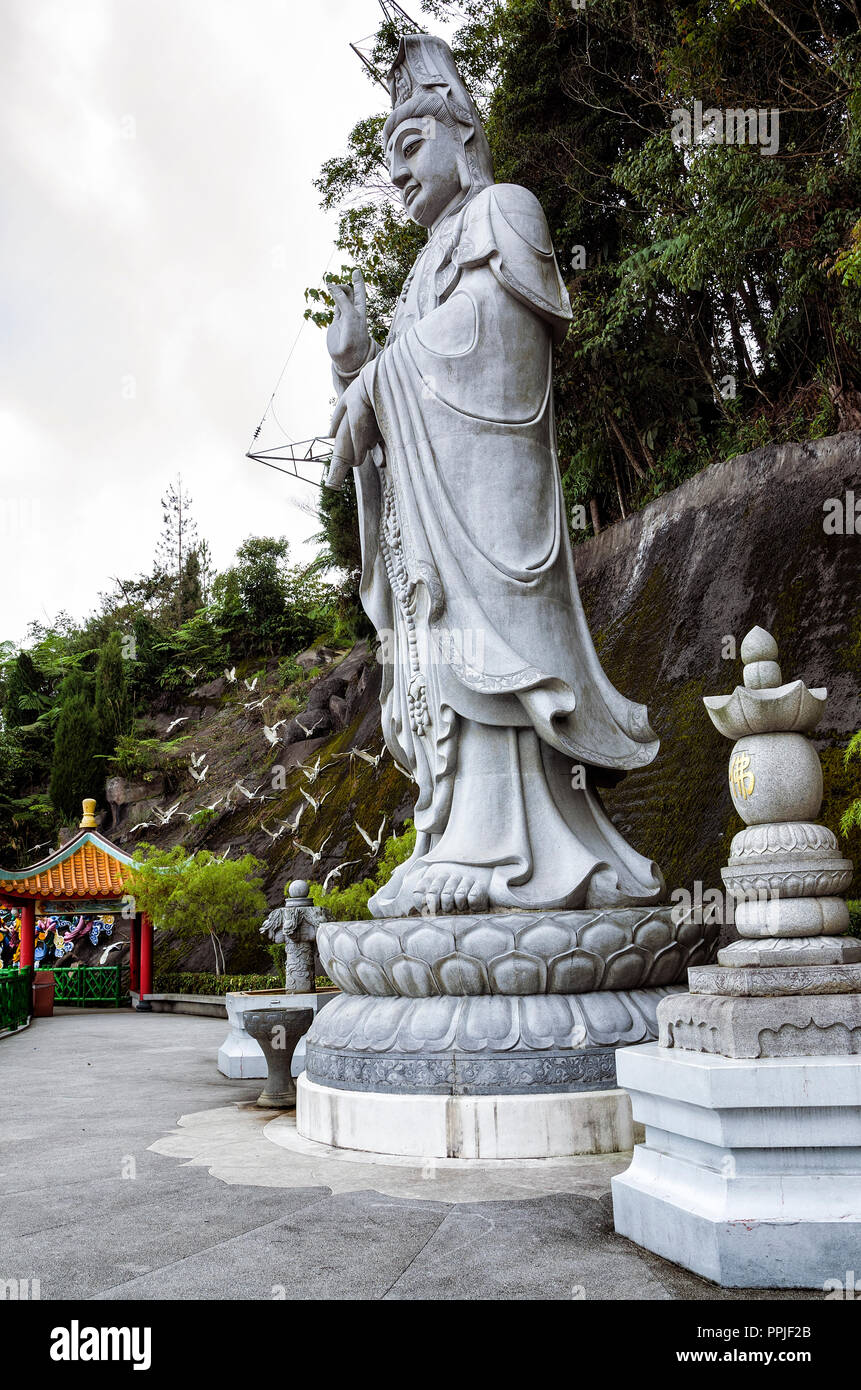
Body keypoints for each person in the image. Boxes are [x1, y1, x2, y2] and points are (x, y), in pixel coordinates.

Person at [325, 35, 664, 919]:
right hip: (434, 523)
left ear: (465, 138)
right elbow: (402, 386)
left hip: (489, 504)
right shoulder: (418, 268)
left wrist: (384, 380)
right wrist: (358, 367)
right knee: (437, 655)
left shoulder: (504, 208)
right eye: (385, 161)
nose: (396, 178)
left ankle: (507, 848)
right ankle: (457, 833)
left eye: (408, 148)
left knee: (488, 656)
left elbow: (499, 347)